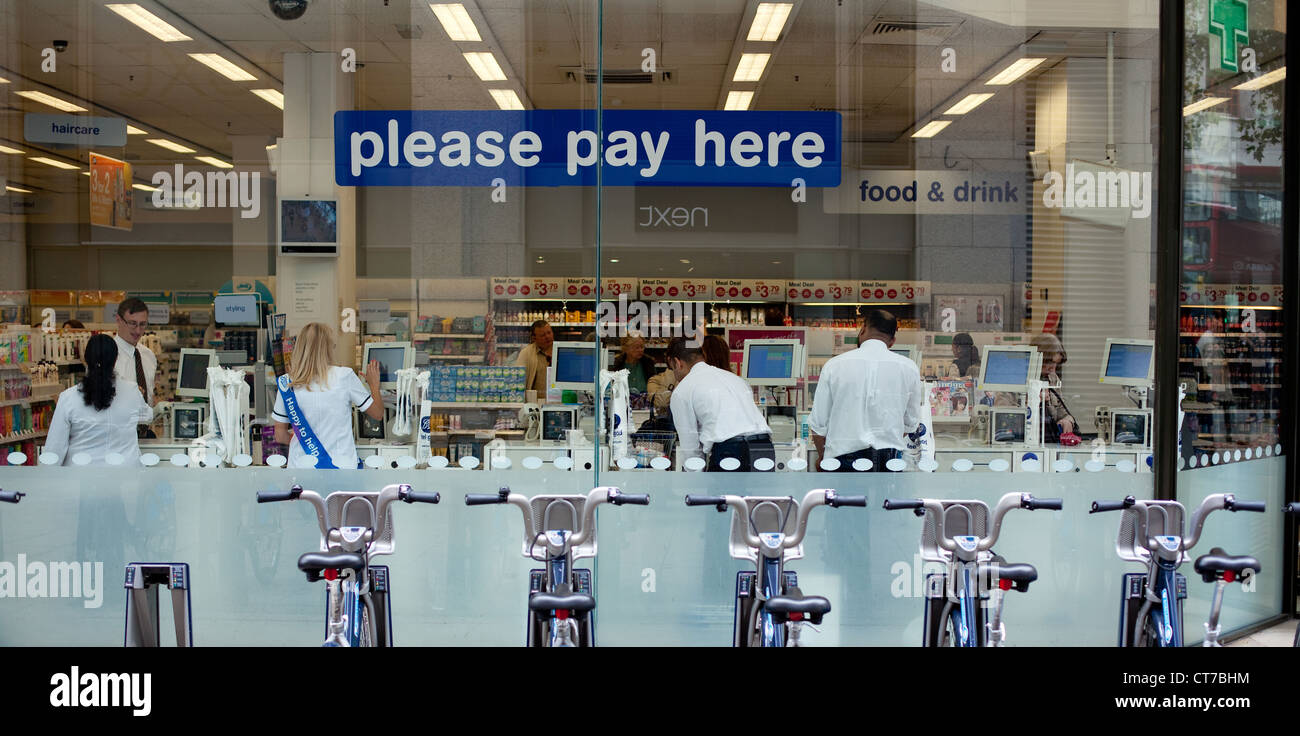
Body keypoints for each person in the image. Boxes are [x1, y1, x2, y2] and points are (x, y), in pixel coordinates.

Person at [808, 309, 924, 472]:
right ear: (892, 341)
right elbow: (911, 423)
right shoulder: (909, 368)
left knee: (844, 499)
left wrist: (822, 458)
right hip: (889, 461)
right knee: (887, 498)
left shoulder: (834, 365)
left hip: (842, 461)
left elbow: (818, 425)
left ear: (862, 330)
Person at [272, 322, 383, 470]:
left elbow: (280, 435)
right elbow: (377, 413)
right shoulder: (345, 376)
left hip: (302, 467)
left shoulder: (287, 383)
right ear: (328, 349)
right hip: (341, 466)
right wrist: (374, 385)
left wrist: (307, 441)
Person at [43, 334, 153, 466]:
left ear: (86, 359)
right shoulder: (132, 391)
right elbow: (147, 416)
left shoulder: (68, 397)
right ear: (116, 359)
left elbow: (54, 449)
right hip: (125, 477)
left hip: (81, 478)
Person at [666, 337, 773, 471]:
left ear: (677, 362)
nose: (674, 374)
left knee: (723, 492)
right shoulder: (734, 379)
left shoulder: (683, 390)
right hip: (764, 446)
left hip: (730, 449)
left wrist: (696, 485)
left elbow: (690, 448)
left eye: (672, 369)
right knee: (761, 492)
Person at [1030, 332, 1079, 443]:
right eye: (1050, 363)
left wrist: (1067, 421)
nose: (1053, 369)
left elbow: (1063, 411)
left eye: (1056, 364)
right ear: (1038, 359)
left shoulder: (1052, 379)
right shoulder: (1018, 379)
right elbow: (1003, 415)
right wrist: (1031, 402)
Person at [113, 297, 157, 405]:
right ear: (119, 320)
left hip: (146, 421)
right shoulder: (106, 355)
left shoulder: (148, 355)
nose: (138, 330)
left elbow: (150, 395)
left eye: (142, 324)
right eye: (132, 323)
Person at [515, 319, 552, 397]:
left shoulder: (559, 350)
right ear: (534, 338)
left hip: (559, 402)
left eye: (549, 333)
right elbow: (518, 379)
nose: (547, 337)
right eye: (543, 335)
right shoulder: (526, 353)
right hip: (534, 403)